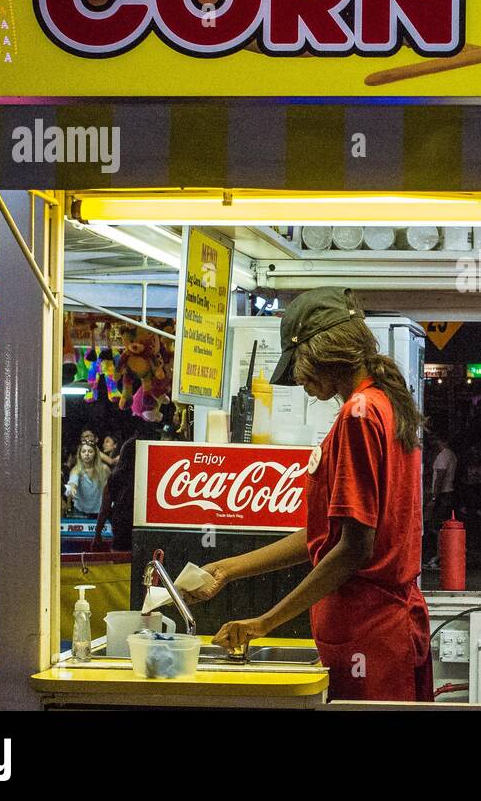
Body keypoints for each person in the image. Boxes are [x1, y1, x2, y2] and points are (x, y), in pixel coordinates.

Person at [183, 288, 433, 702]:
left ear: (321, 352)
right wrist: (228, 568)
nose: (297, 380)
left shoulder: (359, 415)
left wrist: (265, 621)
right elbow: (327, 535)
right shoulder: (379, 404)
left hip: (366, 630)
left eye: (297, 365)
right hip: (375, 630)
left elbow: (354, 549)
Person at [93, 436, 138, 553]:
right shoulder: (150, 477)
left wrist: (97, 533)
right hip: (141, 526)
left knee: (119, 561)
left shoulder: (115, 476)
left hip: (121, 524)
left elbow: (105, 507)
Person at [425, 436, 458, 570]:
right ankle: (441, 555)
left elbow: (440, 477)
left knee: (437, 526)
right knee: (441, 526)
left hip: (442, 494)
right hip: (447, 492)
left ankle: (439, 557)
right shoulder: (451, 455)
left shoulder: (443, 456)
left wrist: (434, 498)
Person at [65, 440, 108, 517]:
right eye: (83, 451)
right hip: (80, 510)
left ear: (95, 454)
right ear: (80, 454)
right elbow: (73, 482)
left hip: (100, 511)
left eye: (90, 451)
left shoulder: (104, 469)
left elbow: (112, 487)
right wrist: (72, 488)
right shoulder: (76, 470)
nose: (87, 454)